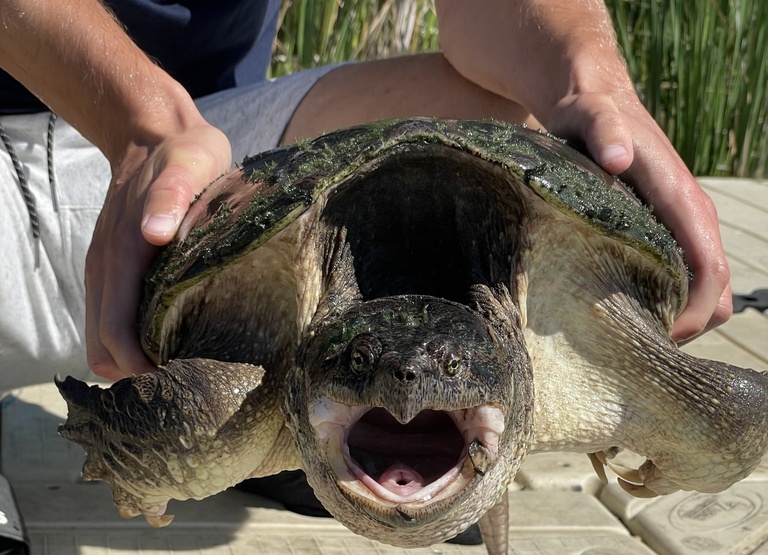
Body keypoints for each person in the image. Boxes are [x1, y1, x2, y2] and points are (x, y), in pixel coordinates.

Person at [0, 0, 731, 398]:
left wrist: (591, 85)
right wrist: (140, 127)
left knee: (500, 141)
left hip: (210, 154)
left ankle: (309, 393)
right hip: (52, 145)